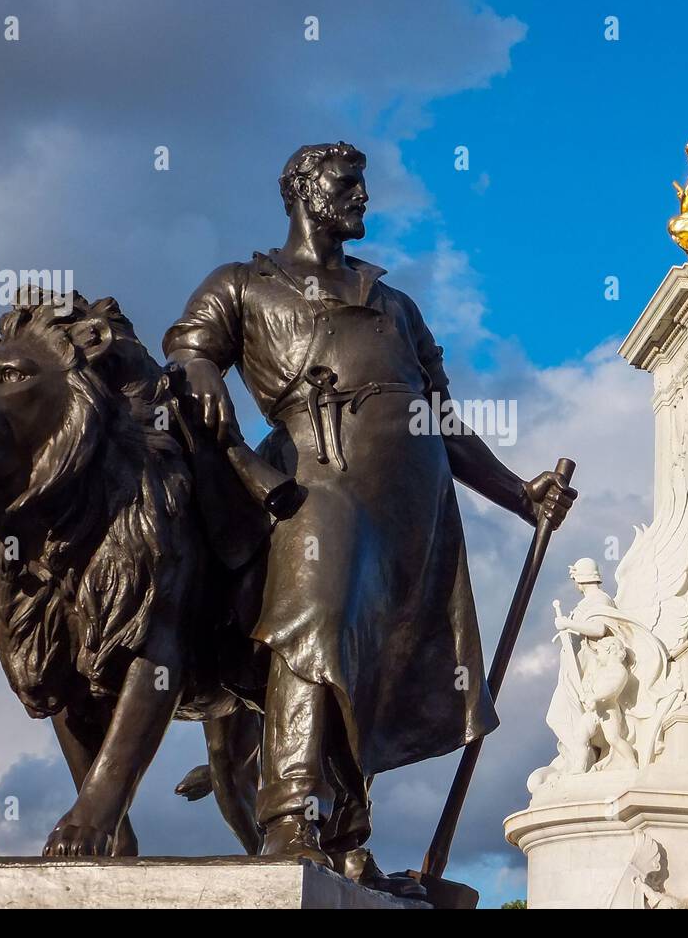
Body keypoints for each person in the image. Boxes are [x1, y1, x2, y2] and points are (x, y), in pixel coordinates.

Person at [162, 142, 575, 896]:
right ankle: (291, 815)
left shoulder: (395, 304)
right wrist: (195, 370)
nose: (362, 197)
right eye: (348, 184)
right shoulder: (242, 283)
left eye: (362, 184)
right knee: (310, 623)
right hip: (311, 481)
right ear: (301, 190)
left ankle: (348, 841)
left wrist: (519, 493)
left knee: (370, 670)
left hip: (413, 511)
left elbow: (441, 421)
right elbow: (190, 347)